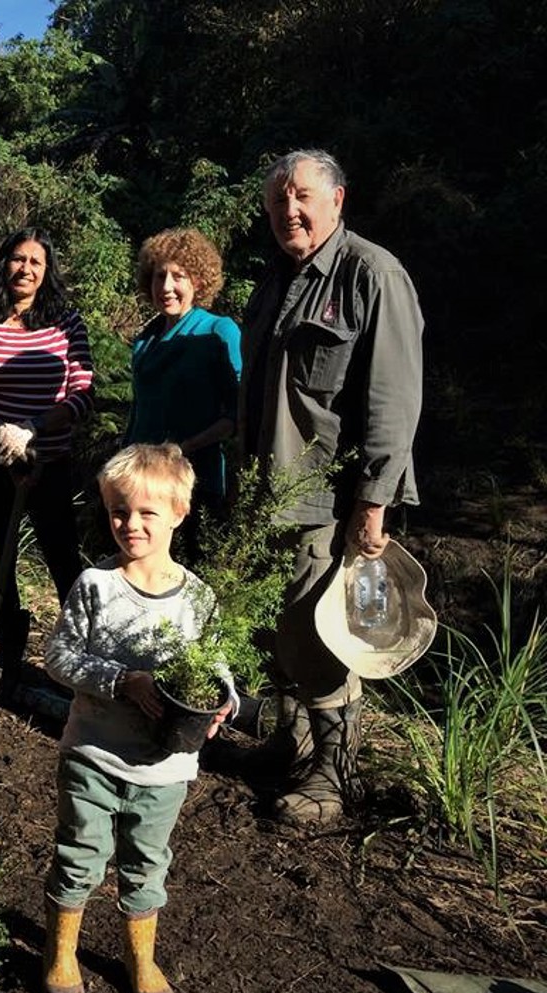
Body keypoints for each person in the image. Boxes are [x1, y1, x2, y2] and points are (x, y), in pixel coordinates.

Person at [240, 149, 423, 824]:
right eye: (277, 202)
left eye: (302, 198)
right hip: (267, 491)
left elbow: (394, 396)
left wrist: (375, 501)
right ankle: (291, 747)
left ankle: (331, 774)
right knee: (277, 632)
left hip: (329, 497)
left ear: (337, 201)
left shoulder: (371, 273)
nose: (289, 210)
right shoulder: (277, 278)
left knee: (320, 635)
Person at [42, 444, 235, 993]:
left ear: (179, 513)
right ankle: (61, 954)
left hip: (164, 768)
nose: (131, 524)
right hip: (93, 754)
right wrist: (121, 678)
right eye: (119, 512)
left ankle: (140, 959)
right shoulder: (96, 585)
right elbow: (58, 655)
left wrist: (224, 700)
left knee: (147, 863)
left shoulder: (198, 598)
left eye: (147, 513)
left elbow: (218, 662)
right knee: (80, 855)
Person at [0, 227, 95, 693]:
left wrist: (32, 426)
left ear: (46, 271)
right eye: (17, 259)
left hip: (47, 460)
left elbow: (84, 394)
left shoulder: (66, 323)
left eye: (35, 261)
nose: (25, 268)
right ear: (4, 264)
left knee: (61, 557)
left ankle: (82, 658)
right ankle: (5, 657)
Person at [126, 227, 241, 558]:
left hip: (195, 485)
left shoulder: (218, 331)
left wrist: (182, 449)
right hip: (143, 485)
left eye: (179, 276)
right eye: (159, 276)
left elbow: (234, 416)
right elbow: (140, 412)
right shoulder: (145, 339)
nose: (166, 287)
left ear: (198, 282)